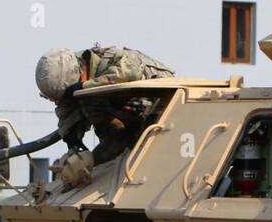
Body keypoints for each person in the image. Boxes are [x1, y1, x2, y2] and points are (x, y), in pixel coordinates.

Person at [35, 46, 173, 177]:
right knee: (90, 161)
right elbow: (66, 109)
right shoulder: (73, 84)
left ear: (80, 72)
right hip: (122, 134)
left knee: (91, 100)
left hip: (161, 117)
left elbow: (130, 72)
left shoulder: (113, 61)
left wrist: (84, 87)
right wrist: (72, 141)